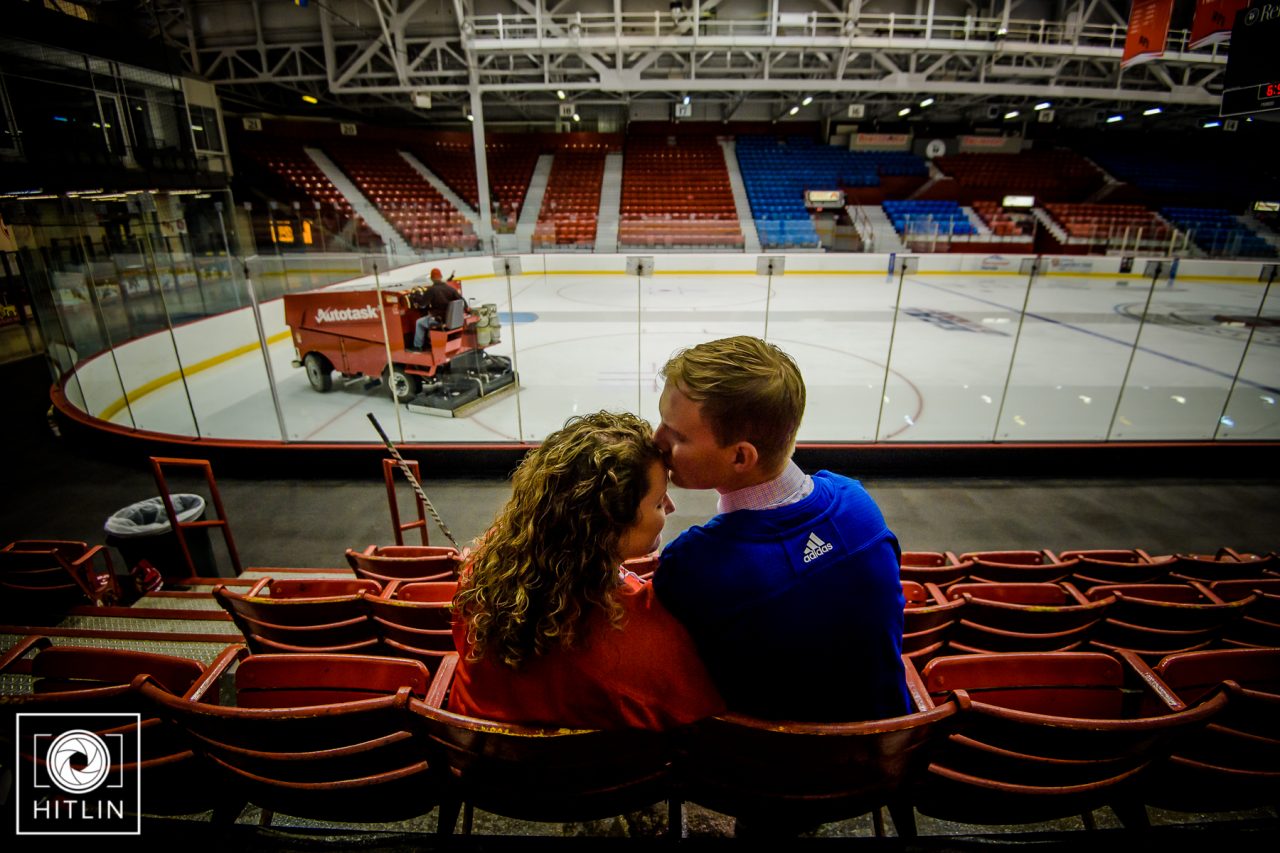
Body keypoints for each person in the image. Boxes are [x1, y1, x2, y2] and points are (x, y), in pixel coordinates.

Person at [652, 336, 908, 722]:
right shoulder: (858, 505)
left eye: (677, 436)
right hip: (889, 745)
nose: (656, 440)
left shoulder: (692, 566)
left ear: (741, 456)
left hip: (764, 759)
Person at [449, 411, 725, 730]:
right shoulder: (644, 641)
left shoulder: (483, 569)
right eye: (659, 503)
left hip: (472, 749)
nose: (671, 507)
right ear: (609, 527)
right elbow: (701, 715)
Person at [411, 268, 467, 350]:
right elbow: (462, 301)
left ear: (431, 279)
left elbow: (422, 304)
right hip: (451, 319)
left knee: (419, 323)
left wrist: (417, 296)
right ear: (441, 277)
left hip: (438, 319)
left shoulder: (431, 290)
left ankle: (417, 347)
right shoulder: (451, 289)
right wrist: (467, 309)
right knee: (426, 319)